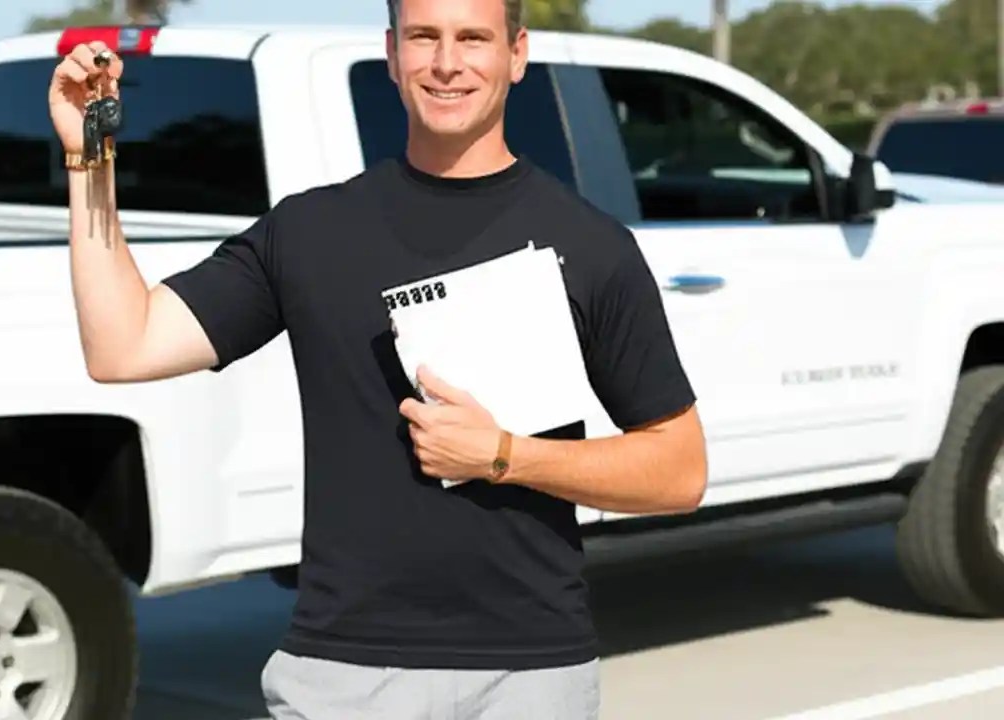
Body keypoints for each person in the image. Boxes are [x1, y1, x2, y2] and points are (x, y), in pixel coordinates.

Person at [48, 0, 709, 716]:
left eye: (473, 39)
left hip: (531, 672)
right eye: (424, 37)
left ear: (516, 54)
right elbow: (125, 345)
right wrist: (90, 159)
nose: (447, 62)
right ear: (392, 54)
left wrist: (506, 456)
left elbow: (678, 469)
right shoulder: (308, 231)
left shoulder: (590, 244)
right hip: (342, 671)